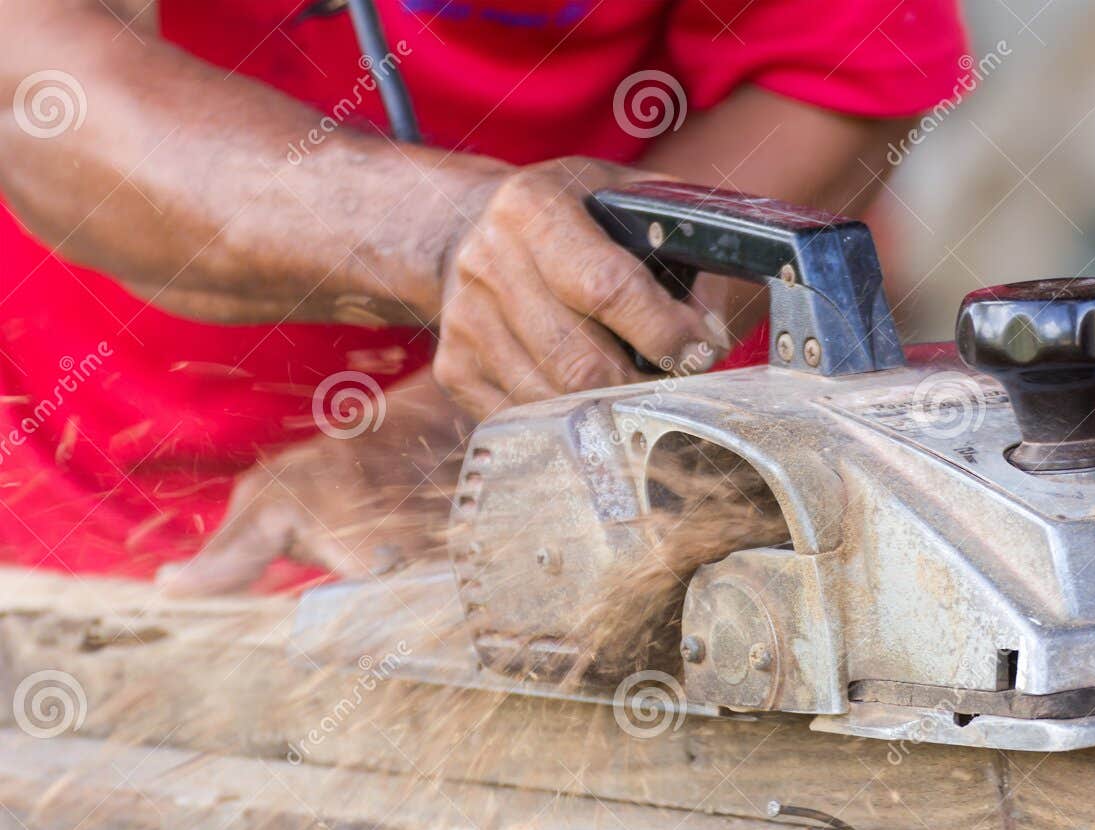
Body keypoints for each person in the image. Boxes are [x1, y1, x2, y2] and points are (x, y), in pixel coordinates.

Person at [0, 0, 968, 593]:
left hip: (611, 492)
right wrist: (447, 229)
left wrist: (489, 405)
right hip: (71, 501)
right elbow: (39, 89)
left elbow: (838, 76)